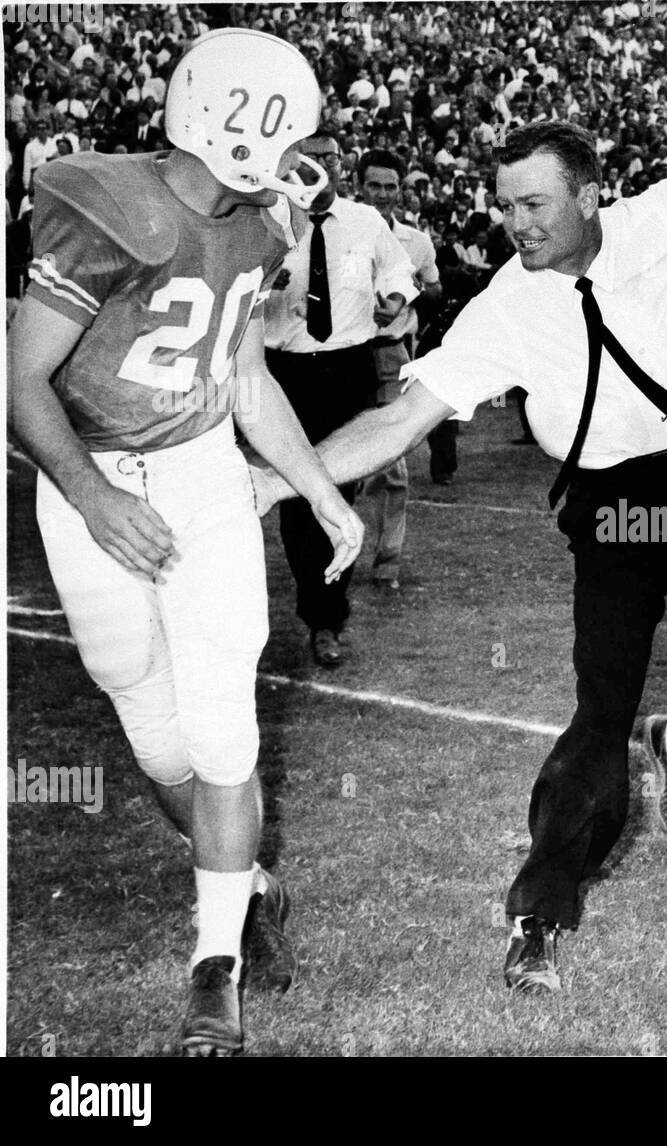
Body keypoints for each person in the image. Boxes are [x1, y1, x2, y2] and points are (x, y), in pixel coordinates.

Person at [251, 119, 667, 997]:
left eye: (535, 203)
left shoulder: (661, 218)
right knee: (601, 705)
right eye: (505, 205)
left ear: (589, 196)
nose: (517, 222)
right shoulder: (505, 303)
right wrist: (282, 481)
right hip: (616, 507)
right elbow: (397, 422)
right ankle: (540, 908)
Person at [7, 29, 364, 1057]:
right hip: (93, 480)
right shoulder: (104, 204)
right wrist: (88, 493)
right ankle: (247, 888)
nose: (297, 153)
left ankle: (215, 968)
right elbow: (20, 383)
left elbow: (245, 376)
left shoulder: (258, 227)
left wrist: (319, 494)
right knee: (150, 724)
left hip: (202, 472)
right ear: (238, 124)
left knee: (220, 728)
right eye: (286, 130)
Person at [262, 130, 417, 666]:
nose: (319, 166)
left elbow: (398, 268)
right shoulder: (271, 218)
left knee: (340, 489)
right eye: (310, 158)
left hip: (348, 366)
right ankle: (319, 609)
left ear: (340, 165)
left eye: (329, 158)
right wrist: (268, 284)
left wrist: (393, 295)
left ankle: (327, 614)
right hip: (284, 372)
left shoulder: (365, 221)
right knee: (296, 492)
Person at [356, 147, 441, 589]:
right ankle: (332, 553)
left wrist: (407, 291)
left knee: (392, 462)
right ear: (359, 186)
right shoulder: (340, 232)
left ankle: (387, 560)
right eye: (375, 185)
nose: (384, 194)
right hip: (340, 357)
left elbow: (435, 288)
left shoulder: (416, 241)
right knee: (329, 454)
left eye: (391, 186)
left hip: (391, 355)